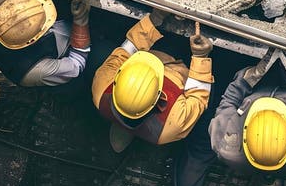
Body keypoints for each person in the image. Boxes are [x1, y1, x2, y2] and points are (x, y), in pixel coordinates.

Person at [169, 47, 286, 186]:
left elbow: (228, 101)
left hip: (254, 88)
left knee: (200, 149)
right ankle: (266, 183)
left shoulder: (226, 147)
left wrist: (247, 78)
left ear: (245, 133)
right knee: (276, 170)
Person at [91, 10, 214, 153]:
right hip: (185, 62)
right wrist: (201, 56)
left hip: (152, 46)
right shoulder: (171, 127)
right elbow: (199, 97)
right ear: (158, 98)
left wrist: (152, 21)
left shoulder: (102, 90)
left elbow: (123, 53)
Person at [0, 0, 91, 88]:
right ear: (34, 39)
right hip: (67, 46)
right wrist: (80, 20)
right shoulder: (35, 72)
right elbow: (76, 63)